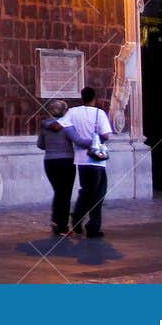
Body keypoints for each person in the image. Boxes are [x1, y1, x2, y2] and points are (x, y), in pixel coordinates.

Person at [53, 87, 114, 238]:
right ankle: (87, 224)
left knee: (87, 191)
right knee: (97, 194)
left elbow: (57, 125)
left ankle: (84, 223)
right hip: (97, 159)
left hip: (81, 159)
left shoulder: (73, 112)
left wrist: (76, 136)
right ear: (95, 98)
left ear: (82, 97)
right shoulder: (99, 113)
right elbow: (107, 135)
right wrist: (94, 139)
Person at [36, 98, 77, 236]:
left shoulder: (44, 126)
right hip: (66, 161)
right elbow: (77, 140)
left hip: (50, 162)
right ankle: (63, 227)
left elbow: (40, 145)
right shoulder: (67, 126)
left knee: (59, 192)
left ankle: (55, 221)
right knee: (65, 194)